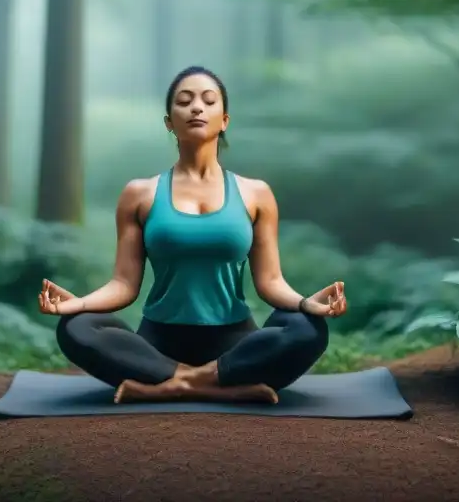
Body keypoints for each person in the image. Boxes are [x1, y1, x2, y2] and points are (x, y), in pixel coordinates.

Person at [38, 65, 347, 404]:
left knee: (306, 327)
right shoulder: (139, 193)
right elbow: (124, 284)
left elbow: (270, 282)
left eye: (208, 101)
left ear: (224, 120)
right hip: (158, 344)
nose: (196, 108)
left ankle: (176, 385)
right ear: (169, 122)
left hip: (233, 343)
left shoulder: (255, 193)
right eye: (184, 101)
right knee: (76, 326)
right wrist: (78, 304)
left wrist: (305, 303)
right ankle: (220, 387)